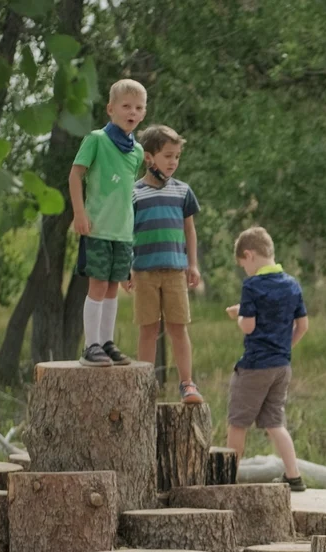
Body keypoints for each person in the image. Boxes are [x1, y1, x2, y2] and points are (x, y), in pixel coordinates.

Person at [223, 226, 309, 492]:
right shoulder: (292, 284)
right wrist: (283, 348)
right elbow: (303, 326)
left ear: (248, 255)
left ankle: (227, 478)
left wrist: (238, 315)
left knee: (237, 422)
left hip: (255, 365)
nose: (244, 271)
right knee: (275, 423)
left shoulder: (252, 285)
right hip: (281, 366)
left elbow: (248, 326)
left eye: (243, 265)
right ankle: (294, 476)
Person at [70, 78, 147, 367]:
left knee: (114, 286)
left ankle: (106, 341)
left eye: (138, 108)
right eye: (126, 106)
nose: (132, 112)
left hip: (122, 231)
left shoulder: (137, 151)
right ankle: (90, 346)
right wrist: (79, 213)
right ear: (110, 109)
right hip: (98, 227)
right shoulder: (96, 140)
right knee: (98, 285)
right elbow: (75, 176)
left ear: (143, 113)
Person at [128, 124, 203, 403]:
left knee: (178, 327)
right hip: (144, 271)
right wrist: (128, 267)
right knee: (148, 328)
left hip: (175, 270)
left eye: (177, 157)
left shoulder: (182, 192)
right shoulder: (134, 193)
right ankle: (145, 385)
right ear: (149, 158)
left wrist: (193, 264)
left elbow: (189, 230)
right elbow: (127, 233)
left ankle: (187, 383)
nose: (173, 162)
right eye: (168, 156)